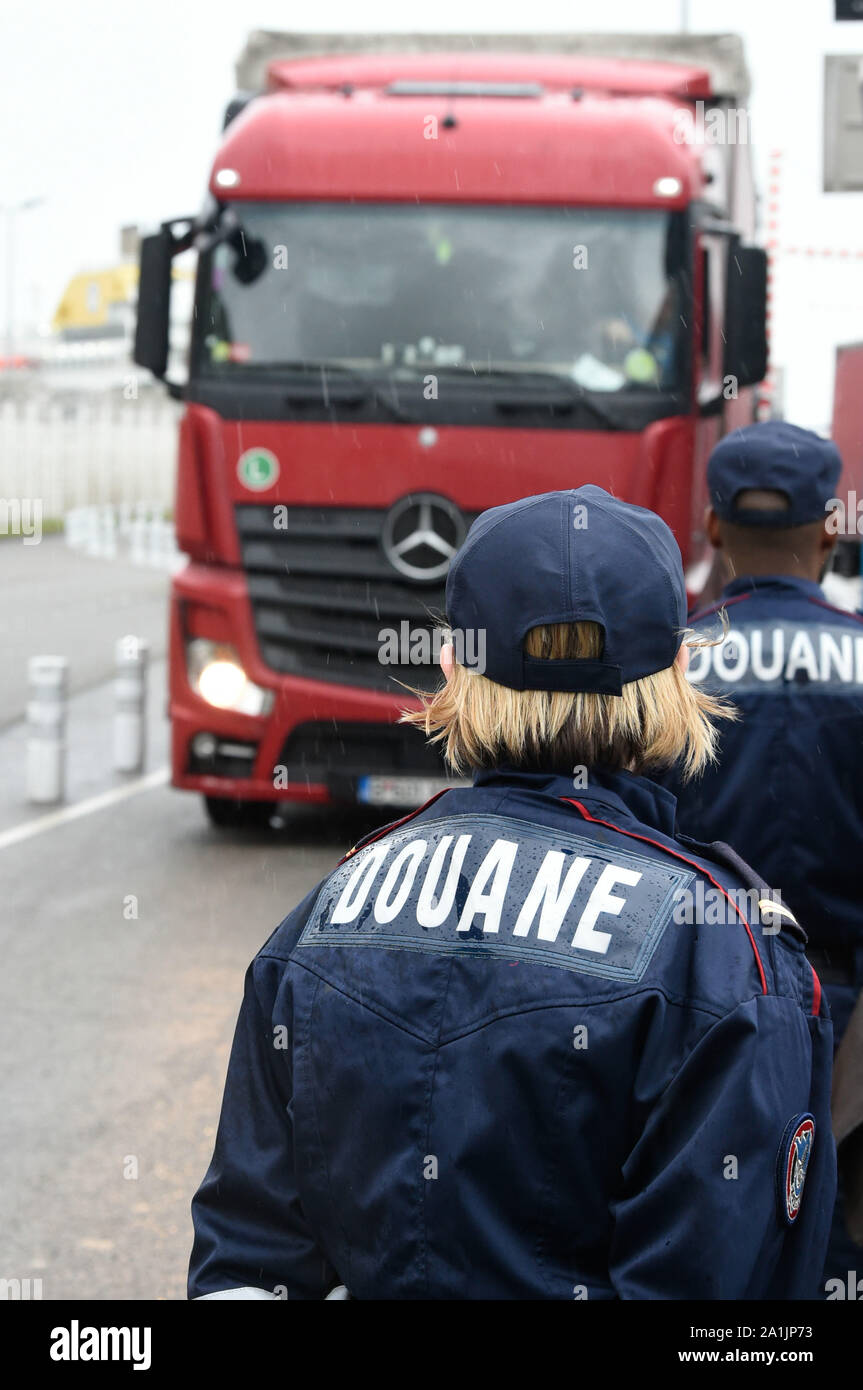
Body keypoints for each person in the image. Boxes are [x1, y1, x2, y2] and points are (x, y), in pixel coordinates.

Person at [188, 485, 835, 1301]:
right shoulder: (726, 959)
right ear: (677, 667)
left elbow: (245, 1269)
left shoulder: (321, 917)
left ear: (454, 668)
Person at [662, 420, 863, 1286]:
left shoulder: (663, 670)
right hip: (850, 1015)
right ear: (829, 528)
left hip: (698, 1006)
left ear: (711, 527)